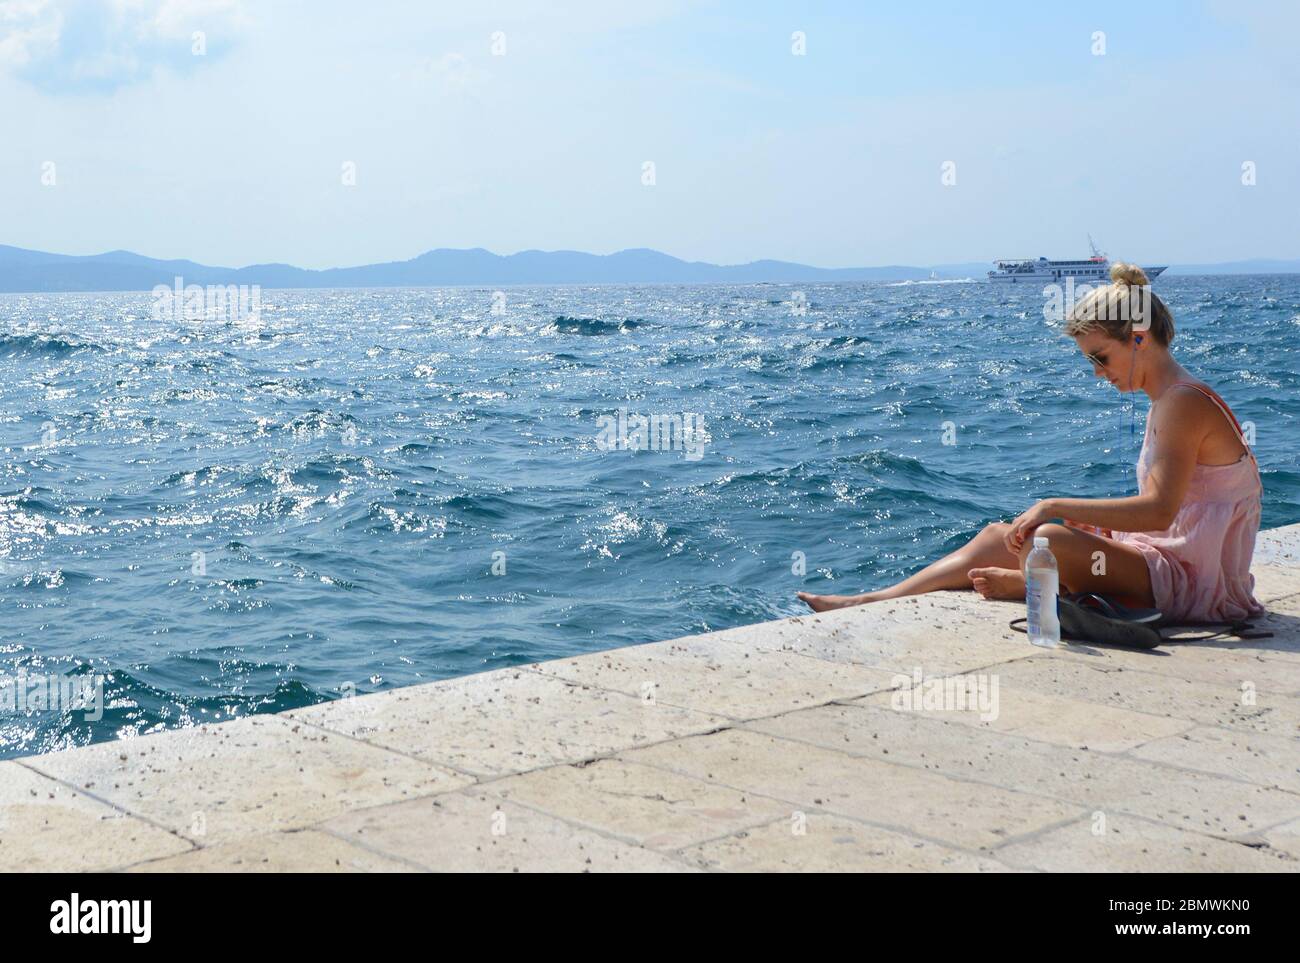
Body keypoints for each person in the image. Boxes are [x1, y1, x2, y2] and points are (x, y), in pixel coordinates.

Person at [798, 262, 1265, 623]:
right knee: (997, 537)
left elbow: (1160, 510)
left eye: (1101, 358)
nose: (1099, 373)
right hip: (1162, 564)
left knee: (1046, 536)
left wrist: (1054, 505)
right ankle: (872, 599)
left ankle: (1030, 584)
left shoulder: (1183, 402)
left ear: (1139, 339)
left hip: (1195, 587)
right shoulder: (1168, 398)